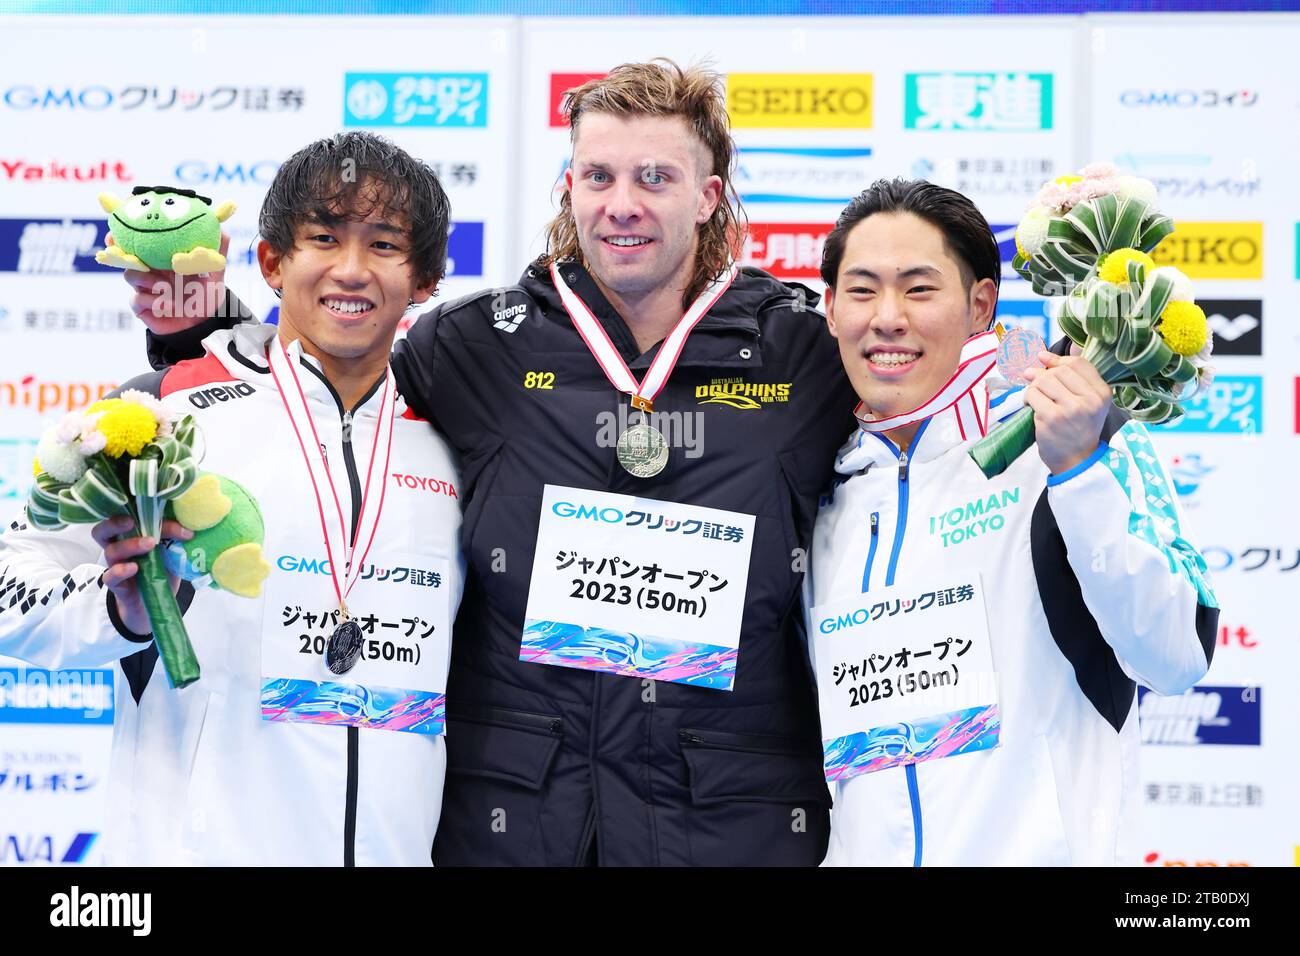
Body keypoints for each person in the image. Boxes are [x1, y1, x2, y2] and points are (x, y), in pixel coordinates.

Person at [133, 60, 858, 866]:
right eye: (599, 175)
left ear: (708, 196)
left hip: (727, 826)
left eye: (657, 177)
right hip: (520, 822)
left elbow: (924, 390)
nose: (624, 204)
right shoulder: (479, 345)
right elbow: (327, 384)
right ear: (569, 187)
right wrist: (186, 344)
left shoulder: (804, 354)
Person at [0, 132, 465, 865]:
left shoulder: (455, 436)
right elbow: (9, 588)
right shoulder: (162, 414)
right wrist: (118, 611)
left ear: (427, 278)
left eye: (384, 245)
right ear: (273, 261)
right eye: (322, 238)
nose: (350, 270)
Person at [808, 178, 1218, 866]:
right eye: (861, 289)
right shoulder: (822, 486)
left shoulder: (1066, 437)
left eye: (918, 288)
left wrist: (1080, 470)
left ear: (980, 306)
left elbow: (1176, 653)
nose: (886, 317)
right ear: (828, 310)